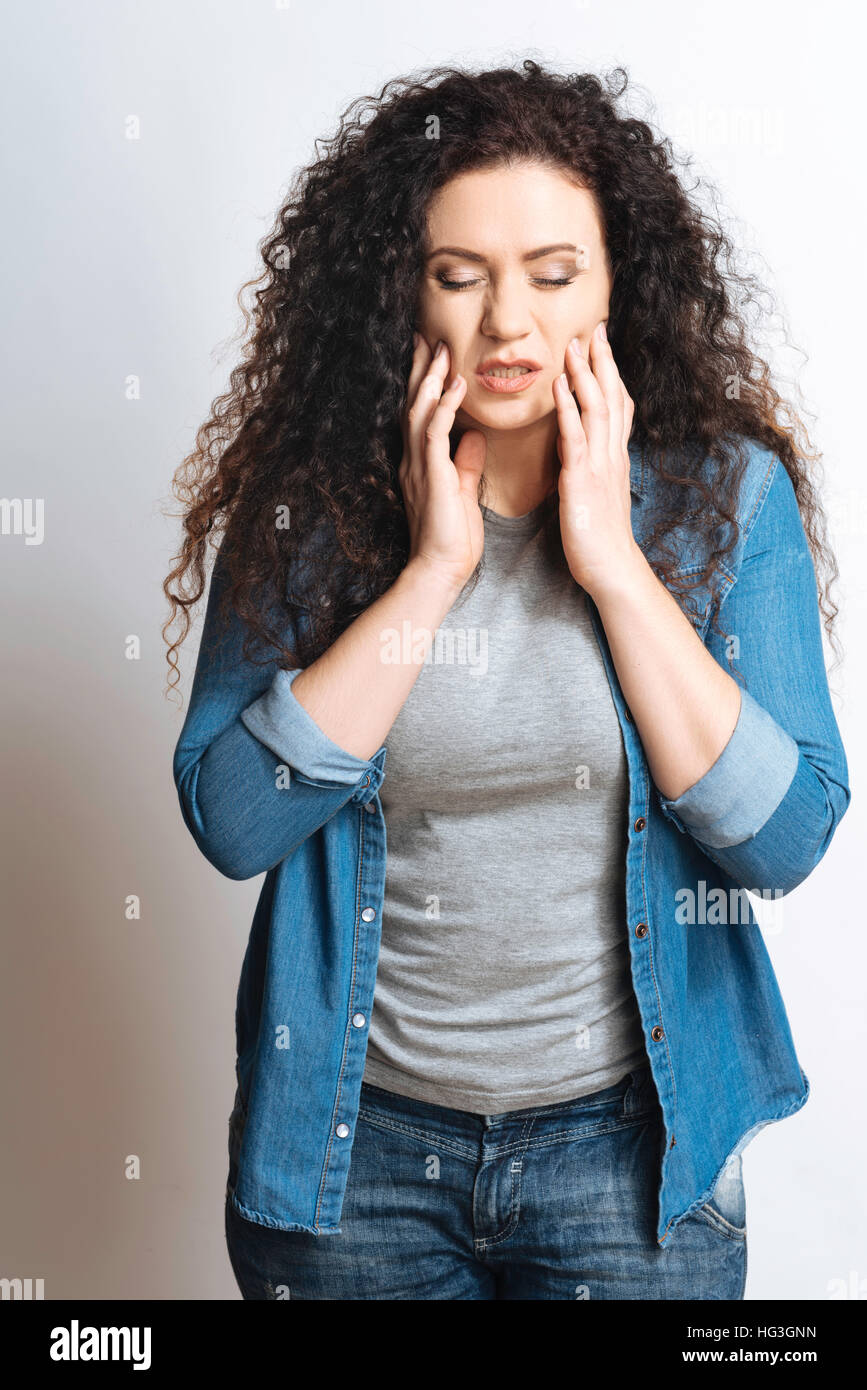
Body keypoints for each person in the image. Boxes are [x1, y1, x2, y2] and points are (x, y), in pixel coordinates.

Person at [164, 61, 850, 1300]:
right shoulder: (308, 514)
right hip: (353, 1157)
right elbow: (233, 816)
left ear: (615, 284)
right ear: (399, 293)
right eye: (458, 276)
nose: (508, 325)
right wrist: (430, 575)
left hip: (632, 1159)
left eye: (552, 273)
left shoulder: (723, 503)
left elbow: (785, 837)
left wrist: (614, 568)